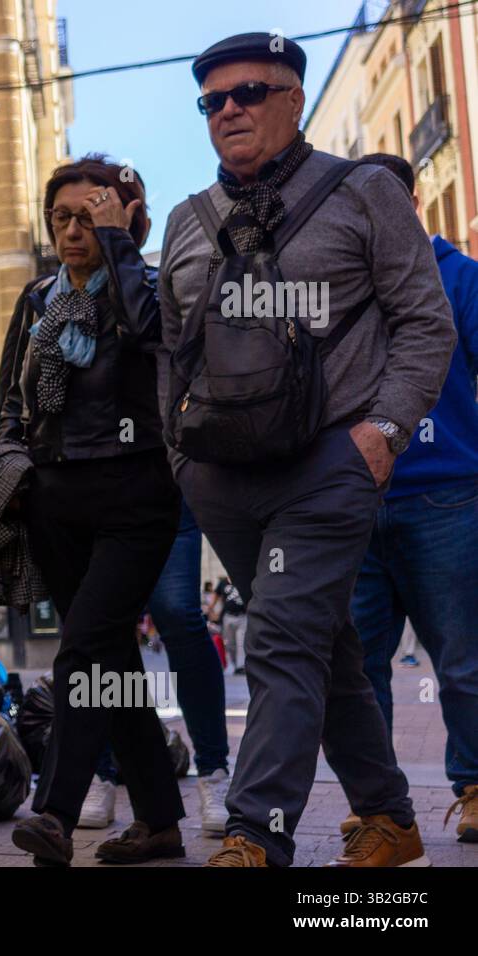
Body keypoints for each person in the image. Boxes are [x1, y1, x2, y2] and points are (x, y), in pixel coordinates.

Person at [160, 33, 455, 867]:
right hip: (220, 472)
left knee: (282, 639)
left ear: (292, 98)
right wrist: (181, 461)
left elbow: (425, 323)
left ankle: (257, 833)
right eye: (213, 101)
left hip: (331, 461)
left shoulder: (362, 190)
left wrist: (384, 432)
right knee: (323, 649)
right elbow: (170, 354)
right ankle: (389, 819)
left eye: (249, 92)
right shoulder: (188, 221)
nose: (230, 111)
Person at [1, 155, 186, 866]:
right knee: (112, 658)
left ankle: (54, 812)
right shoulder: (36, 298)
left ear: (126, 216)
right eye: (62, 218)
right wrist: (11, 466)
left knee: (80, 647)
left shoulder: (147, 283)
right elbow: (14, 400)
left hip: (136, 493)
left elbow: (148, 334)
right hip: (53, 497)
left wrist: (121, 245)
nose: (73, 230)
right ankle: (161, 822)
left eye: (90, 215)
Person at [345, 152, 478, 844]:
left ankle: (476, 786)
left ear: (413, 204)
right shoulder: (341, 292)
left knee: (462, 659)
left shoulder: (461, 278)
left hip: (447, 496)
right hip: (355, 504)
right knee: (359, 668)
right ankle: (379, 807)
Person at [78, 500, 232, 837]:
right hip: (97, 487)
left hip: (166, 486)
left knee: (178, 613)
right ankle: (101, 773)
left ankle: (213, 770)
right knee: (102, 626)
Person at [209, 575, 247, 675]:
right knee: (230, 643)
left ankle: (240, 666)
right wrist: (210, 609)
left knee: (241, 641)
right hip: (228, 616)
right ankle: (235, 664)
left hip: (242, 616)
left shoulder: (243, 580)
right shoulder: (223, 582)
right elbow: (216, 595)